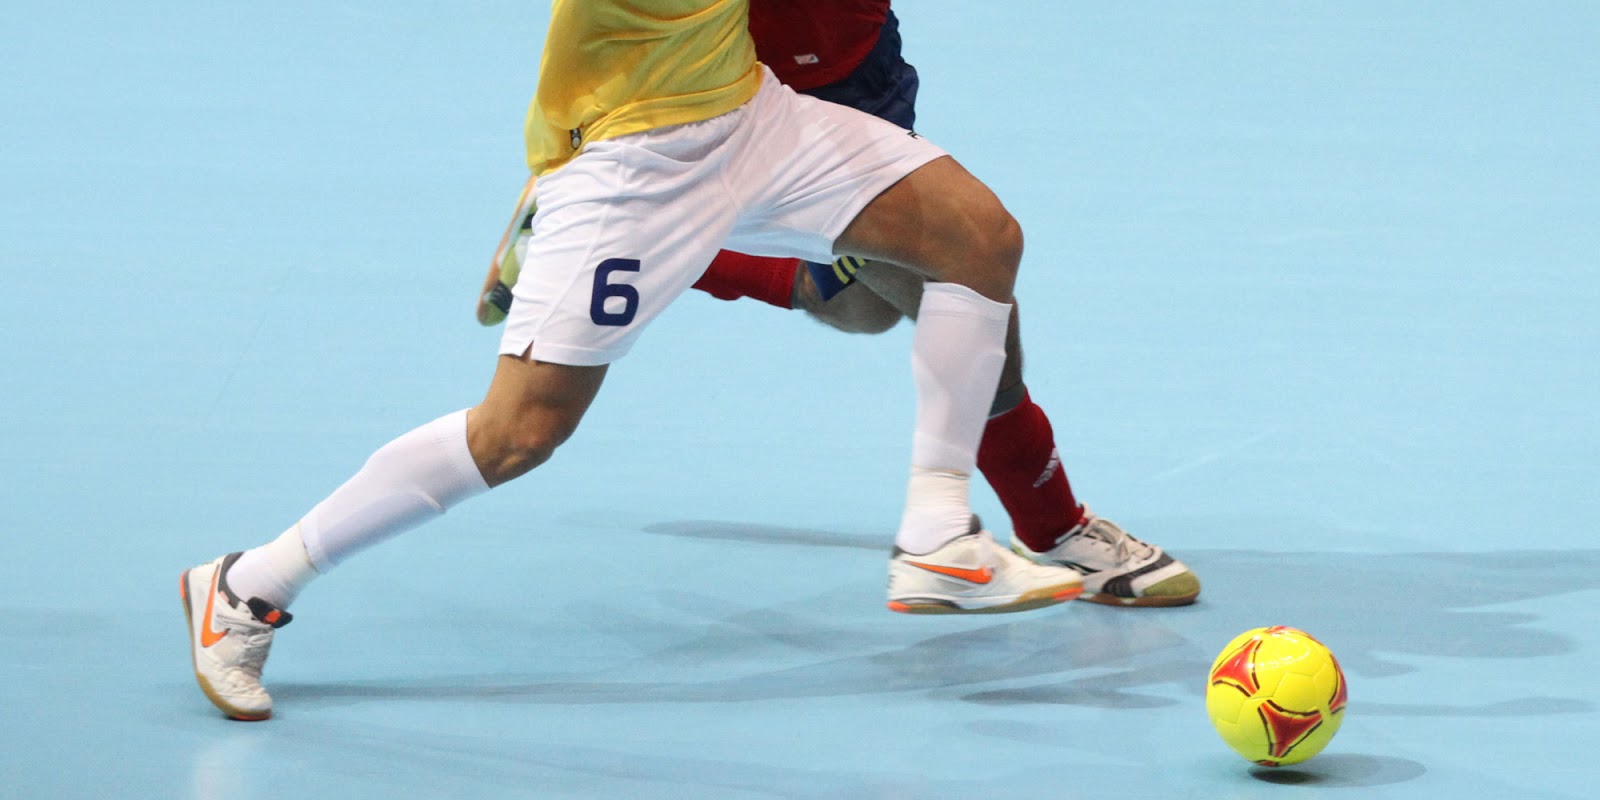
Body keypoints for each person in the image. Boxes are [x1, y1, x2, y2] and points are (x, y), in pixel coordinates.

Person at [180, 0, 1087, 722]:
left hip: (751, 115)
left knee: (978, 239)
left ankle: (936, 537)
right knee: (518, 433)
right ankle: (249, 584)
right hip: (631, 163)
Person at [476, 1, 1202, 610]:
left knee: (860, 306)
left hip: (857, 63)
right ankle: (1055, 529)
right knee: (972, 291)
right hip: (736, 88)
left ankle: (615, 241)